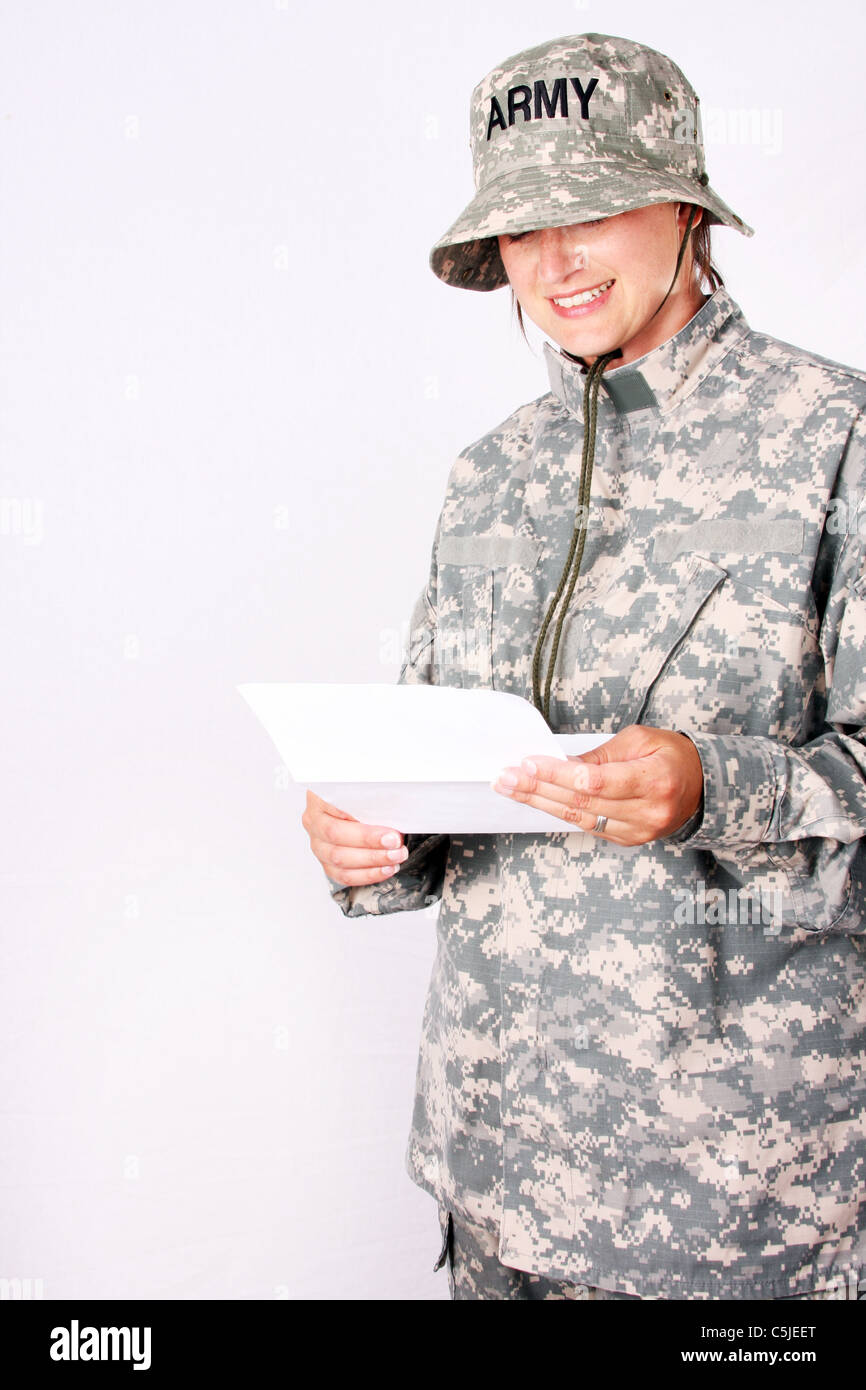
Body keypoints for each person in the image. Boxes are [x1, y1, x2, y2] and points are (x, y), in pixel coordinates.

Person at [301, 32, 866, 1301]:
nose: (552, 261)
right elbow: (438, 771)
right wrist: (368, 832)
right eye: (520, 226)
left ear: (683, 201)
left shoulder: (834, 436)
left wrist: (713, 786)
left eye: (593, 208)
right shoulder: (488, 472)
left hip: (732, 1202)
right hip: (493, 1165)